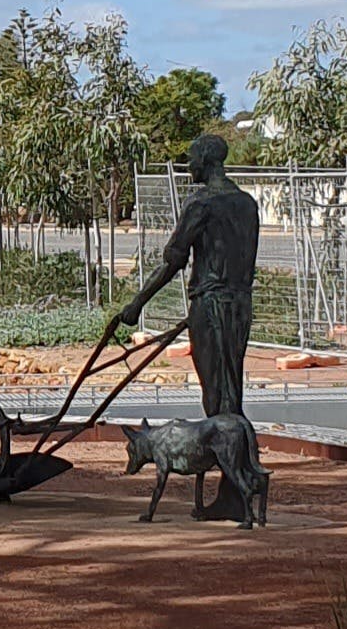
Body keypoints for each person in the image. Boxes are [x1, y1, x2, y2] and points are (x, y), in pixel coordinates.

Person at [103, 130, 261, 425]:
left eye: (191, 159)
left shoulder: (201, 204)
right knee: (232, 388)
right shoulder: (247, 204)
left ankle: (233, 460)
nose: (189, 165)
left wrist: (137, 303)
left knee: (215, 392)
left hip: (210, 303)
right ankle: (238, 460)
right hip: (240, 304)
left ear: (205, 160)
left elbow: (173, 261)